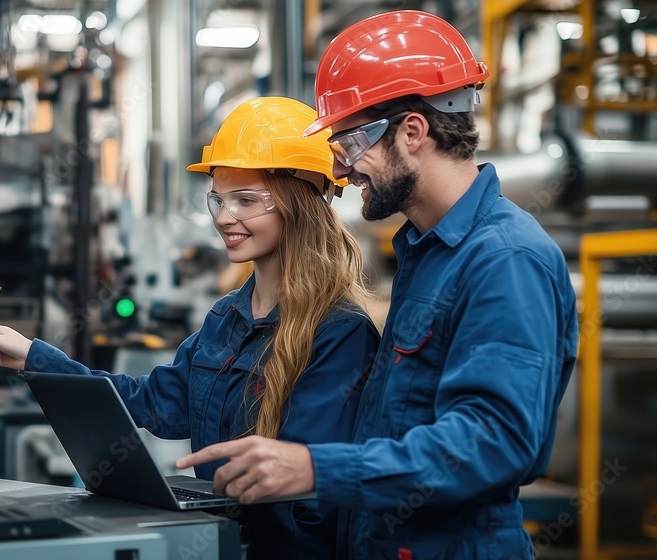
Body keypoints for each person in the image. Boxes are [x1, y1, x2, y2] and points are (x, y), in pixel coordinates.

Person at [176, 10, 579, 560]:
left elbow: (495, 443)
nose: (340, 171)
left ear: (412, 131)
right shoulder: (424, 250)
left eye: (351, 141)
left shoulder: (505, 261)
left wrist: (316, 466)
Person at [0, 97, 380, 559]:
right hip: (216, 540)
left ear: (301, 203)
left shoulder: (339, 334)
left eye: (246, 200)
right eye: (219, 198)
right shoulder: (226, 318)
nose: (223, 217)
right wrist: (35, 357)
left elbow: (313, 503)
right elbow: (154, 404)